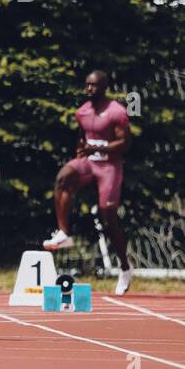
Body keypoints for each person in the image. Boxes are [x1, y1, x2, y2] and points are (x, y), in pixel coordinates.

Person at [43, 70, 133, 295]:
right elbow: (83, 138)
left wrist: (97, 148)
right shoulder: (82, 111)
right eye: (87, 85)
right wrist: (81, 151)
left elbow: (125, 143)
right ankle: (64, 232)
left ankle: (125, 267)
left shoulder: (116, 111)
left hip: (109, 166)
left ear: (104, 87)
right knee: (63, 177)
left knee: (108, 217)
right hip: (89, 161)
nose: (89, 89)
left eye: (94, 85)